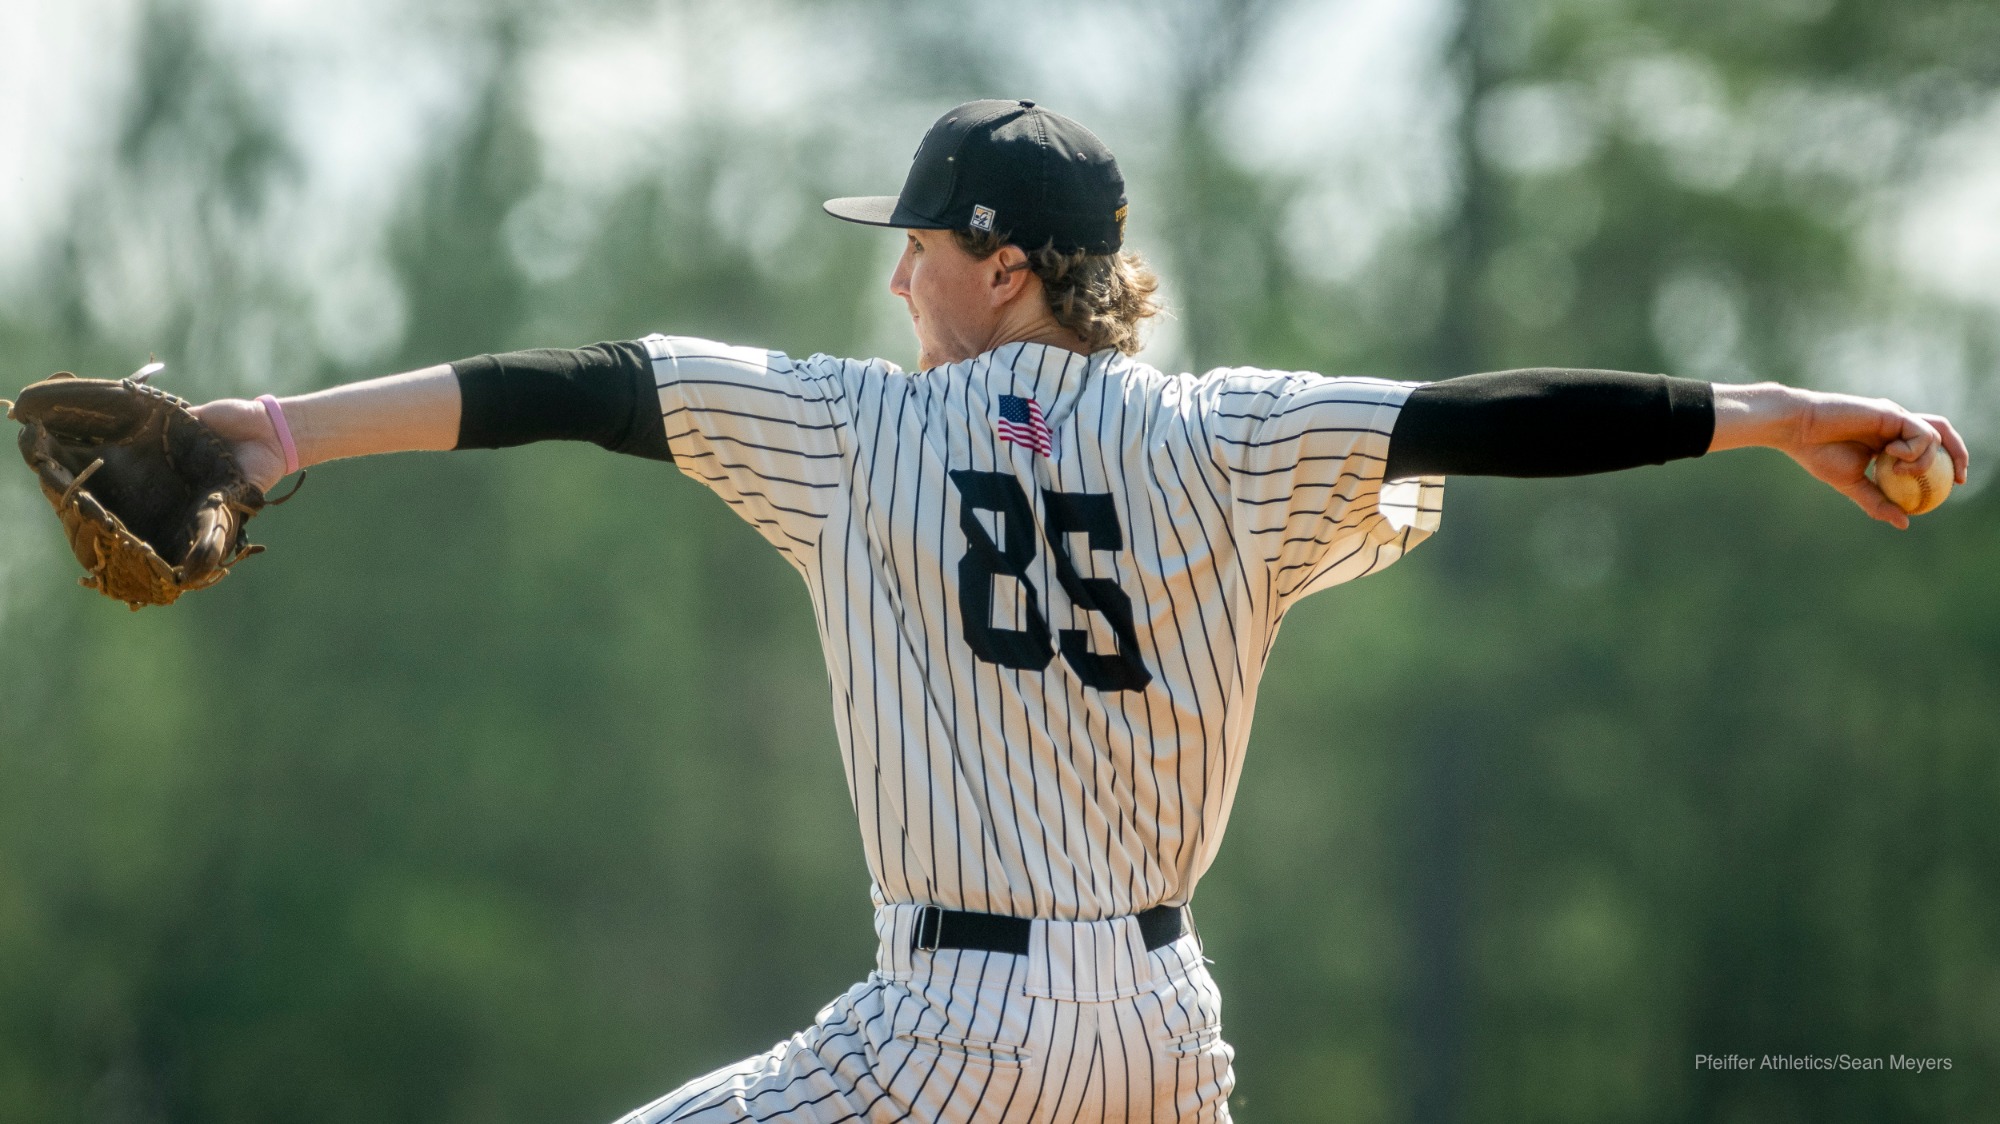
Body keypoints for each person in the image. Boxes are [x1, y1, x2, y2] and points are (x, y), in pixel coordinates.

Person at [194, 99, 1966, 1123]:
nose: (898, 275)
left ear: (1008, 268)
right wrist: (1786, 415)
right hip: (1162, 1031)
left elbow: (583, 385)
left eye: (921, 247)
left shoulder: (853, 429)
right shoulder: (1231, 436)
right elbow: (1494, 420)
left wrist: (274, 435)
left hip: (948, 1031)